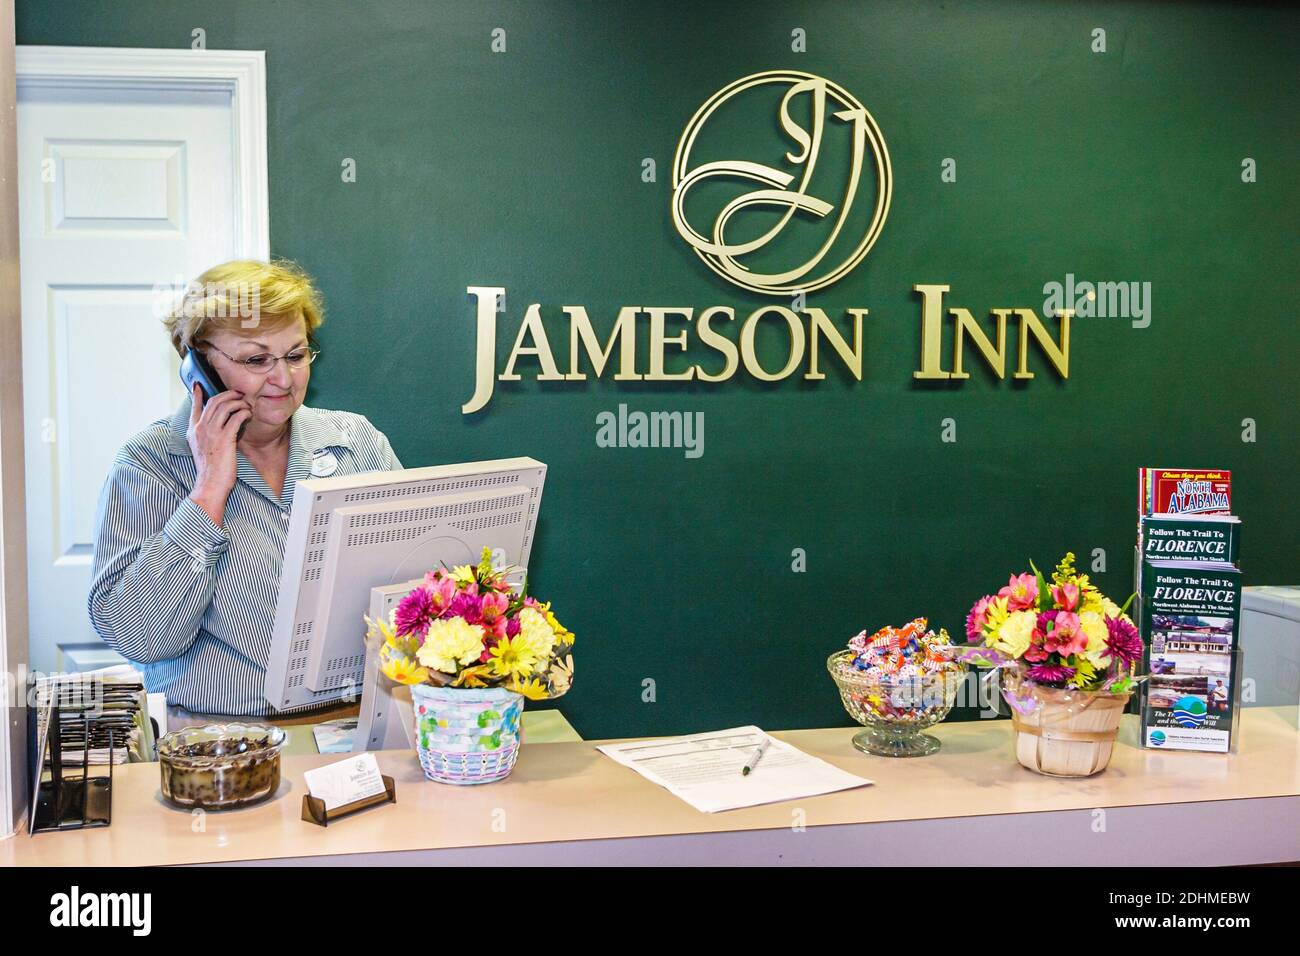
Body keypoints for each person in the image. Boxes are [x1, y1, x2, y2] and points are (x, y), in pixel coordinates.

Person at [88, 260, 401, 724]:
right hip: (214, 741)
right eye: (256, 360)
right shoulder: (149, 463)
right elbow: (142, 637)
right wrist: (209, 489)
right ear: (199, 365)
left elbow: (413, 588)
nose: (283, 378)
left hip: (358, 720)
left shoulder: (356, 443)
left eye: (296, 356)